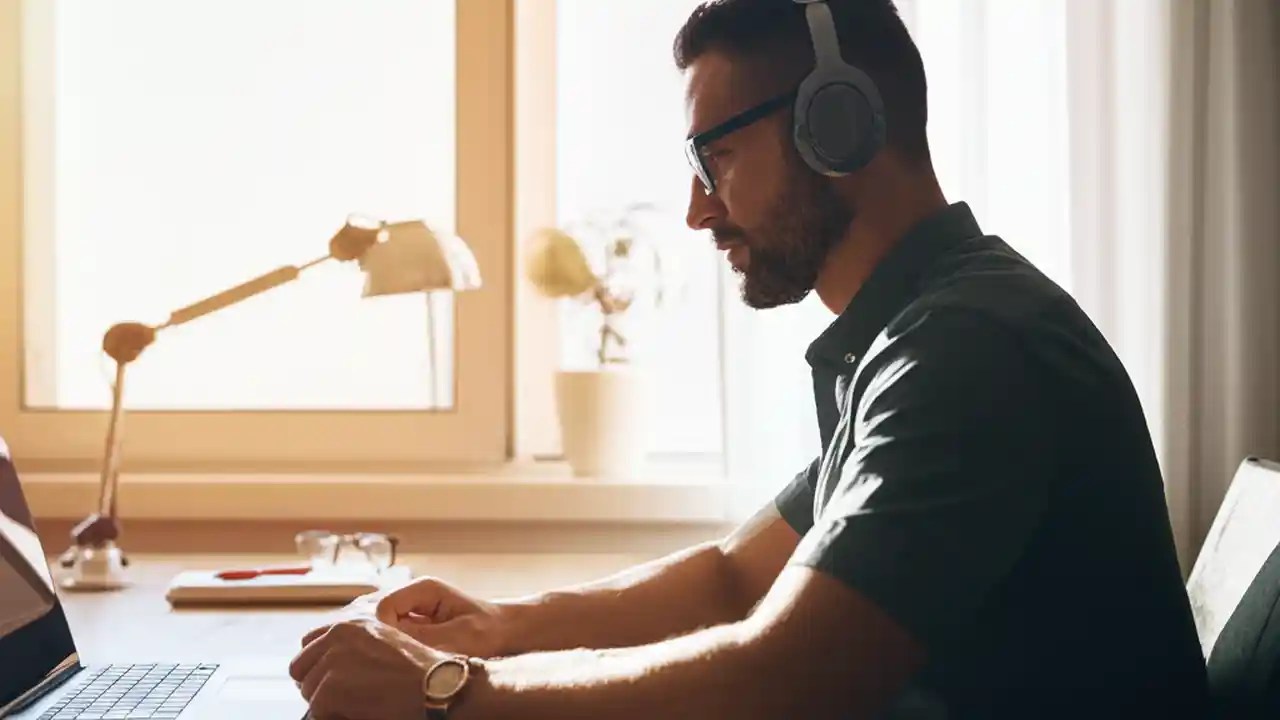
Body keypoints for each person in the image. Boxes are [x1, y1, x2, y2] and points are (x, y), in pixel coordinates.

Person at [289, 0, 1210, 717]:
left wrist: (447, 695)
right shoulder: (918, 334)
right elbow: (735, 578)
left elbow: (784, 682)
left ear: (838, 126)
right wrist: (501, 627)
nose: (699, 211)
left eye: (715, 159)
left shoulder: (971, 352)